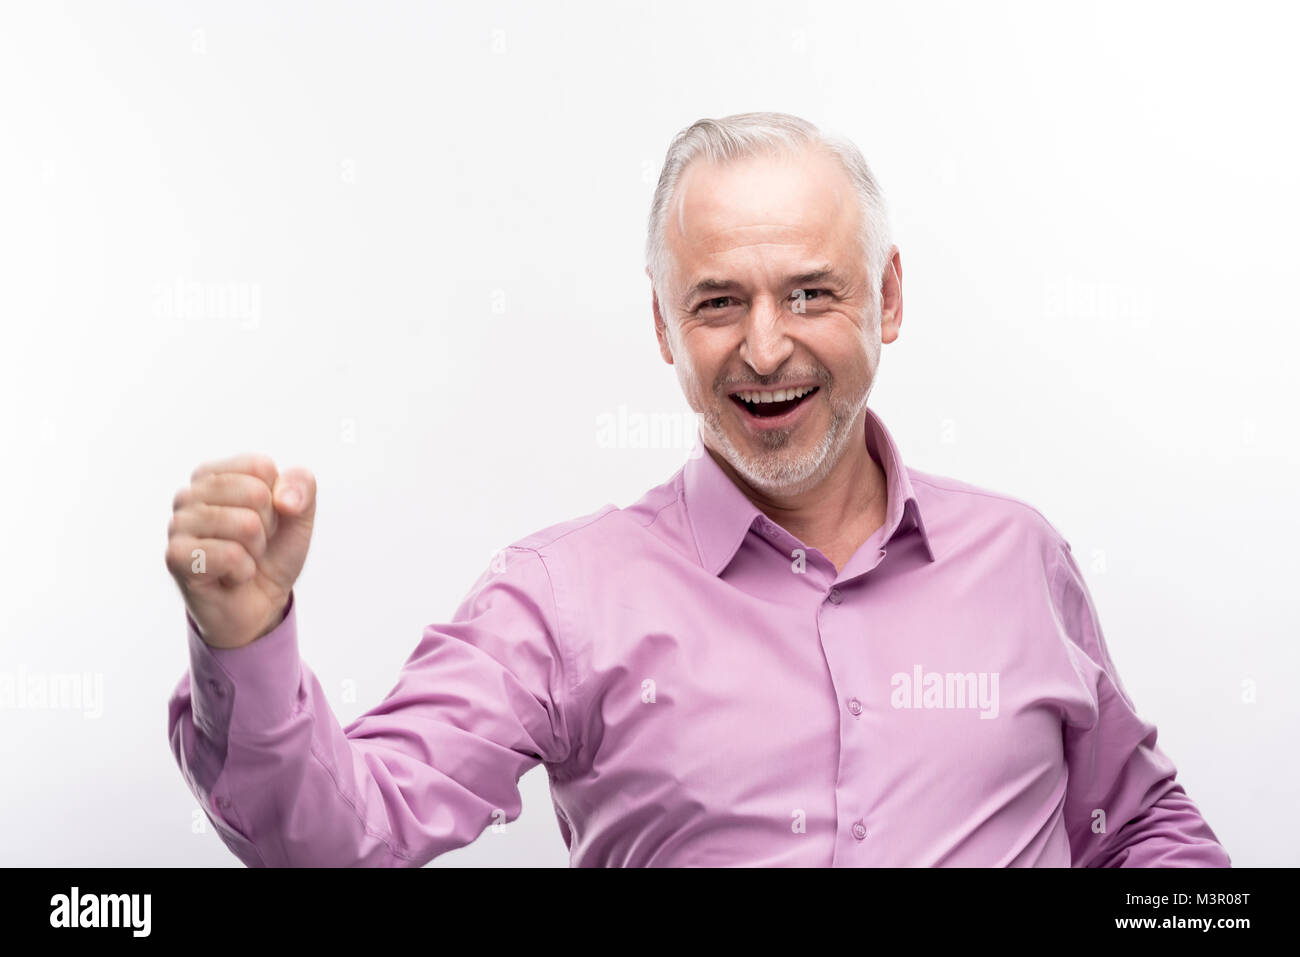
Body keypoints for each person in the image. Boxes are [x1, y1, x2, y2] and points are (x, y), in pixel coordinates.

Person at [165, 111, 1231, 867]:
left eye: (810, 292)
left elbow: (1134, 828)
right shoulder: (559, 598)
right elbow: (340, 839)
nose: (765, 349)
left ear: (887, 298)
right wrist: (245, 647)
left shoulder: (1019, 558)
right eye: (718, 302)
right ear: (664, 326)